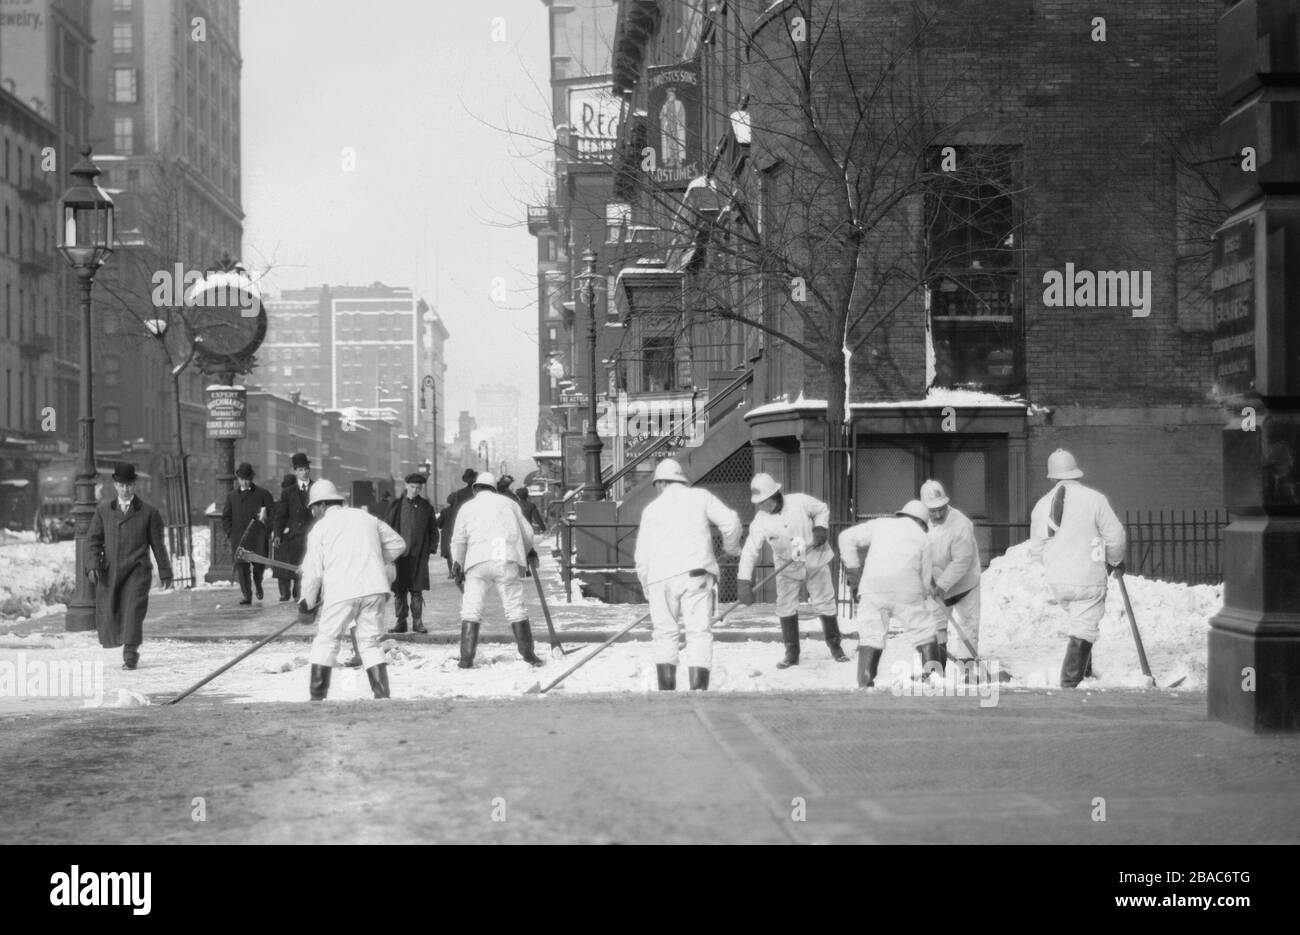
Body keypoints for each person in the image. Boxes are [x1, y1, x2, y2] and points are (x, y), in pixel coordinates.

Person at [634, 458, 742, 691]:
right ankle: (698, 692)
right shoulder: (700, 496)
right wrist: (731, 548)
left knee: (664, 634)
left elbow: (641, 557)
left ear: (661, 482)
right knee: (698, 633)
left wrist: (646, 587)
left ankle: (667, 692)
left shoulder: (650, 510)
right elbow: (731, 522)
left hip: (659, 579)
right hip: (695, 574)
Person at [298, 479, 406, 701]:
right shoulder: (366, 518)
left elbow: (313, 573)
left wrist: (307, 604)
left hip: (342, 591)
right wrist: (371, 561)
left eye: (313, 509)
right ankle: (382, 695)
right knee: (369, 643)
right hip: (374, 588)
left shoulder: (320, 528)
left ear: (320, 505)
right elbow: (398, 544)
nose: (313, 513)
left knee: (326, 641)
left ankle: (317, 698)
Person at [1029, 449, 1126, 688]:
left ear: (1052, 478)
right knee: (1084, 624)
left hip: (1058, 580)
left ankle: (1086, 672)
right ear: (1076, 473)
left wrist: (1057, 563)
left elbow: (1036, 549)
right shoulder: (1094, 499)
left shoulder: (1041, 506)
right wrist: (1115, 561)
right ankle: (1070, 681)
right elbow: (1115, 536)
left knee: (1081, 619)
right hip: (1087, 577)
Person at [735, 473, 847, 668]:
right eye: (758, 503)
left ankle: (835, 645)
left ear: (775, 494)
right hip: (787, 566)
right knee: (785, 606)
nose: (762, 506)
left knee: (825, 602)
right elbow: (749, 551)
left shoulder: (799, 502)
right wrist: (744, 580)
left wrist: (820, 527)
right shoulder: (760, 521)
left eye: (765, 501)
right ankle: (791, 653)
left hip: (814, 558)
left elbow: (822, 509)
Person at [838, 500, 936, 689]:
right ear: (923, 523)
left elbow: (845, 537)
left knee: (871, 634)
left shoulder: (880, 524)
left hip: (873, 587)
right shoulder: (924, 538)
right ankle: (932, 676)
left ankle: (865, 681)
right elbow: (925, 577)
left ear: (902, 514)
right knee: (923, 630)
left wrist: (854, 574)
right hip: (907, 589)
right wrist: (924, 592)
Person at [85, 462, 174, 670]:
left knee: (133, 611)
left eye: (129, 485)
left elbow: (158, 545)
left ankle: (130, 654)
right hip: (111, 571)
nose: (125, 490)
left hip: (137, 571)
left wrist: (165, 571)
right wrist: (92, 565)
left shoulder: (149, 513)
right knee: (114, 611)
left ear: (135, 485)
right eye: (121, 485)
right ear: (115, 485)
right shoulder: (104, 511)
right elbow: (93, 541)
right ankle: (123, 644)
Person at [450, 472, 543, 668]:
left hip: (477, 558)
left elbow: (458, 539)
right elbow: (528, 533)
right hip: (504, 554)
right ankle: (528, 655)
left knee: (471, 608)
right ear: (494, 488)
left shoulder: (467, 507)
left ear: (476, 488)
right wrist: (524, 553)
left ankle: (466, 658)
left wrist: (457, 562)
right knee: (514, 606)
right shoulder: (509, 504)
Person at [920, 479, 982, 680]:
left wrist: (941, 585)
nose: (938, 514)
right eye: (933, 510)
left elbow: (962, 562)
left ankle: (967, 672)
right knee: (936, 627)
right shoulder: (919, 523)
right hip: (936, 587)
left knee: (968, 627)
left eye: (941, 508)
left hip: (965, 585)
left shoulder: (961, 524)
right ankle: (935, 671)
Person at [384, 472, 439, 634]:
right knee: (399, 589)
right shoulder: (396, 505)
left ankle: (417, 621)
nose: (415, 490)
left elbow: (433, 530)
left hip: (418, 555)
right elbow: (386, 529)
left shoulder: (426, 507)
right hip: (399, 555)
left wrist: (430, 549)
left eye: (418, 488)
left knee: (417, 589)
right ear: (406, 486)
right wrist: (388, 551)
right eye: (412, 487)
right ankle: (400, 622)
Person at [221, 462, 276, 605]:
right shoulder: (231, 497)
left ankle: (258, 583)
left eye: (247, 479)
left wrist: (267, 529)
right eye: (242, 479)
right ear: (238, 479)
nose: (245, 482)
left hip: (258, 538)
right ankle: (246, 594)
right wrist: (230, 533)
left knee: (258, 566)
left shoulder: (263, 494)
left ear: (251, 478)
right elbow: (226, 517)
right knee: (242, 567)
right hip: (239, 538)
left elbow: (273, 514)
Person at [271, 453, 313, 602]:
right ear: (295, 471)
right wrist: (277, 534)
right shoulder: (288, 493)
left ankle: (301, 593)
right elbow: (281, 516)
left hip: (311, 536)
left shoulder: (316, 488)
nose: (305, 472)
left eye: (306, 469)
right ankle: (297, 593)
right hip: (294, 536)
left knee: (308, 567)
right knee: (295, 565)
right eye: (301, 469)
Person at [438, 468, 478, 579]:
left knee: (463, 547)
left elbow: (457, 512)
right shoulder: (478, 492)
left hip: (464, 524)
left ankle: (462, 570)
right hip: (476, 524)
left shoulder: (459, 494)